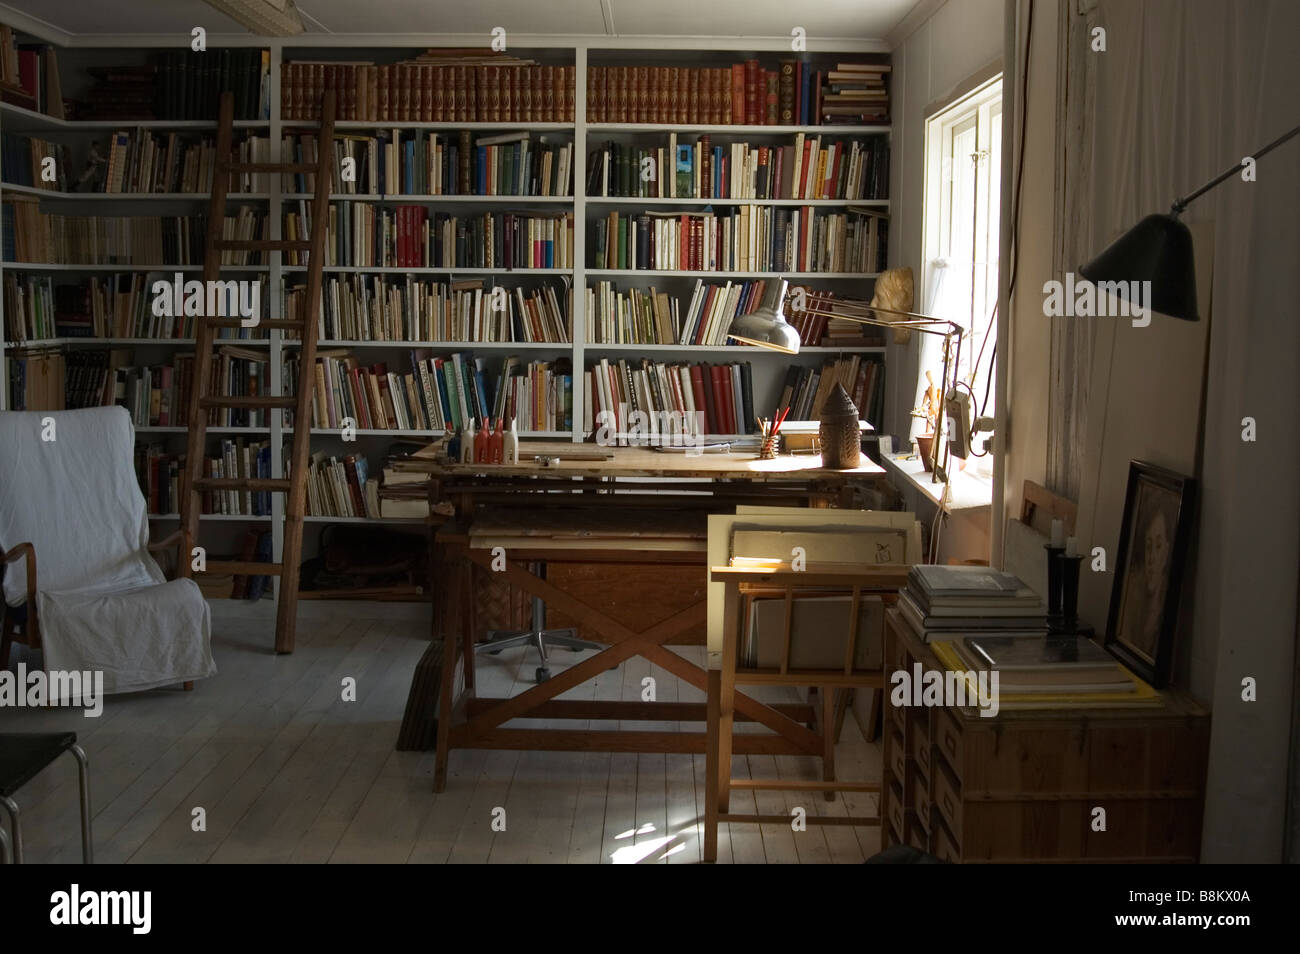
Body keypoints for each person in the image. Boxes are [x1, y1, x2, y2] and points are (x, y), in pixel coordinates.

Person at [1119, 505, 1172, 662]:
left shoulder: (1167, 599)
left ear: (1167, 551)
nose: (1151, 558)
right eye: (1148, 547)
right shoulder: (1133, 591)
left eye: (1158, 546)